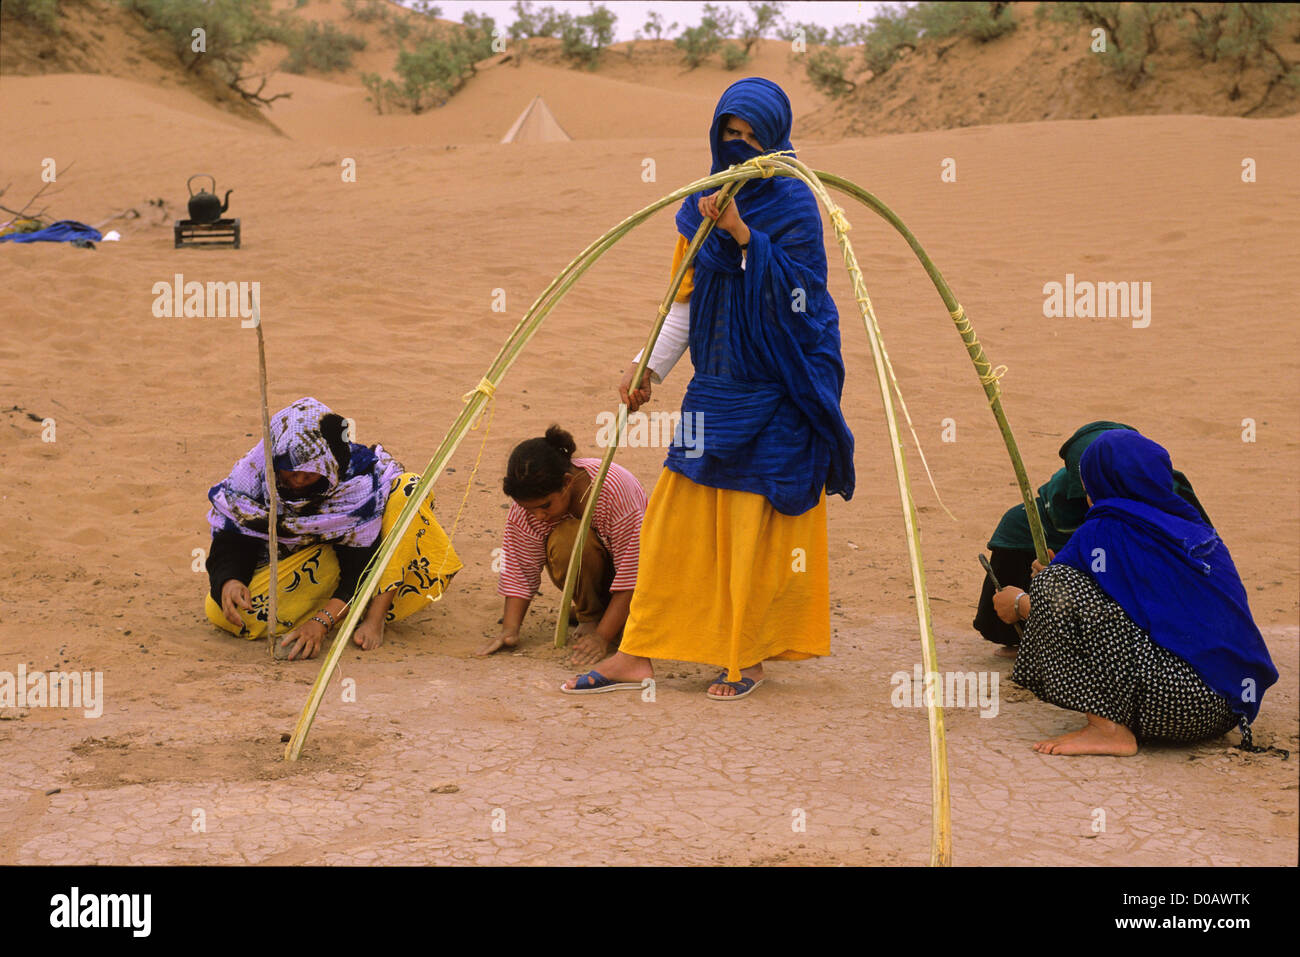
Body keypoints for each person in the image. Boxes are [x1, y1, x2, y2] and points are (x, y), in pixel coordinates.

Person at [562, 77, 855, 699]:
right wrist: (649, 366)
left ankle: (742, 658)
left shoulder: (797, 205)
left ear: (775, 137)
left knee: (750, 530)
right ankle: (639, 651)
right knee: (671, 526)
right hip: (716, 387)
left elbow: (806, 305)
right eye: (730, 134)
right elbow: (684, 303)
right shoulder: (696, 206)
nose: (740, 147)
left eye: (752, 137)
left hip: (778, 392)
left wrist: (746, 236)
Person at [992, 430, 1278, 755]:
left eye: (1089, 488)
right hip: (1229, 709)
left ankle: (1108, 730)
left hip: (1179, 707)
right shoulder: (1193, 526)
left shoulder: (1104, 527)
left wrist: (1017, 602)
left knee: (1051, 586)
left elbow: (1063, 600)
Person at [204, 396, 461, 660]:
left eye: (310, 474)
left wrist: (322, 622)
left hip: (368, 563)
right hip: (301, 565)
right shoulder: (254, 475)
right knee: (222, 613)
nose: (299, 482)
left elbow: (361, 568)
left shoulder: (356, 488)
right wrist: (230, 580)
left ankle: (374, 613)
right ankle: (345, 607)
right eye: (291, 472)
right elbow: (232, 540)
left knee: (410, 489)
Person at [974, 420, 1209, 655]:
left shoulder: (1171, 523)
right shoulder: (1044, 515)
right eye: (1087, 492)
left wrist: (1025, 604)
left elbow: (1121, 632)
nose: (1091, 502)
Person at [478, 426, 648, 666]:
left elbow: (634, 571)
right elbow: (519, 566)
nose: (538, 516)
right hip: (601, 582)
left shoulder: (614, 491)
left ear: (567, 482)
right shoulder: (529, 504)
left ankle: (609, 621)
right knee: (567, 540)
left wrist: (602, 637)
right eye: (530, 509)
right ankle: (591, 614)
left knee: (572, 536)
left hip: (642, 581)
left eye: (545, 506)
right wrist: (509, 629)